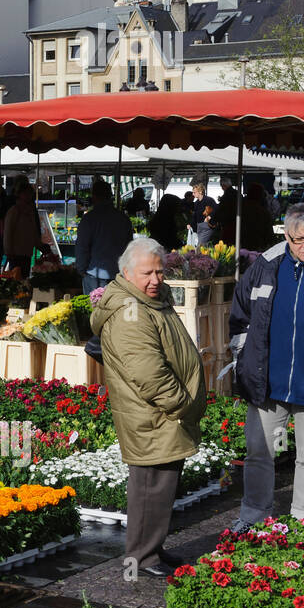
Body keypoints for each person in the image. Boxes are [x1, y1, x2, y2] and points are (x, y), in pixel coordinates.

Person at [90, 237, 206, 577]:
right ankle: (139, 559)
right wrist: (183, 406)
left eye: (159, 271)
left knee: (160, 489)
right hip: (154, 416)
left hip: (162, 415)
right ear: (126, 273)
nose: (155, 279)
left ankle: (151, 550)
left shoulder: (148, 300)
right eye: (147, 273)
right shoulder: (130, 312)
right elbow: (149, 374)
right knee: (149, 489)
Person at [227, 203, 304, 533]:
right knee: (260, 453)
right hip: (268, 385)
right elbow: (240, 313)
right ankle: (255, 514)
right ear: (285, 235)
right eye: (298, 238)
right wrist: (244, 358)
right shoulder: (267, 265)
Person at [75, 179, 133, 294]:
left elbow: (82, 247)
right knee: (116, 310)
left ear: (94, 196)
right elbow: (129, 247)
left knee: (95, 310)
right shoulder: (123, 218)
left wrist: (81, 270)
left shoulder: (89, 219)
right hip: (119, 273)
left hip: (94, 274)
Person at [1, 182, 45, 275]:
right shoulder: (14, 211)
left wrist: (39, 245)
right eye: (26, 193)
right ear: (19, 195)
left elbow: (33, 231)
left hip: (27, 252)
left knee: (24, 278)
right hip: (15, 254)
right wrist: (8, 251)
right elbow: (8, 232)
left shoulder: (30, 212)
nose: (29, 196)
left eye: (30, 193)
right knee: (16, 278)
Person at [239, 183, 276, 253]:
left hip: (244, 241)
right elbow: (268, 231)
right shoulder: (262, 210)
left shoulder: (241, 207)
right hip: (258, 243)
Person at [190, 178, 218, 246]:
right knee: (204, 246)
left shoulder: (209, 200)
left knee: (200, 245)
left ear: (200, 191)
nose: (193, 194)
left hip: (208, 226)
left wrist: (209, 217)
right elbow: (194, 216)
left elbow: (216, 209)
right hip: (199, 226)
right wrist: (190, 224)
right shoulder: (196, 203)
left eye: (194, 192)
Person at [217, 177, 239, 245]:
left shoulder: (227, 195)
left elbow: (222, 209)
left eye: (222, 186)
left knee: (227, 243)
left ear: (224, 186)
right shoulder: (237, 193)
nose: (222, 188)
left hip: (228, 222)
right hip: (237, 221)